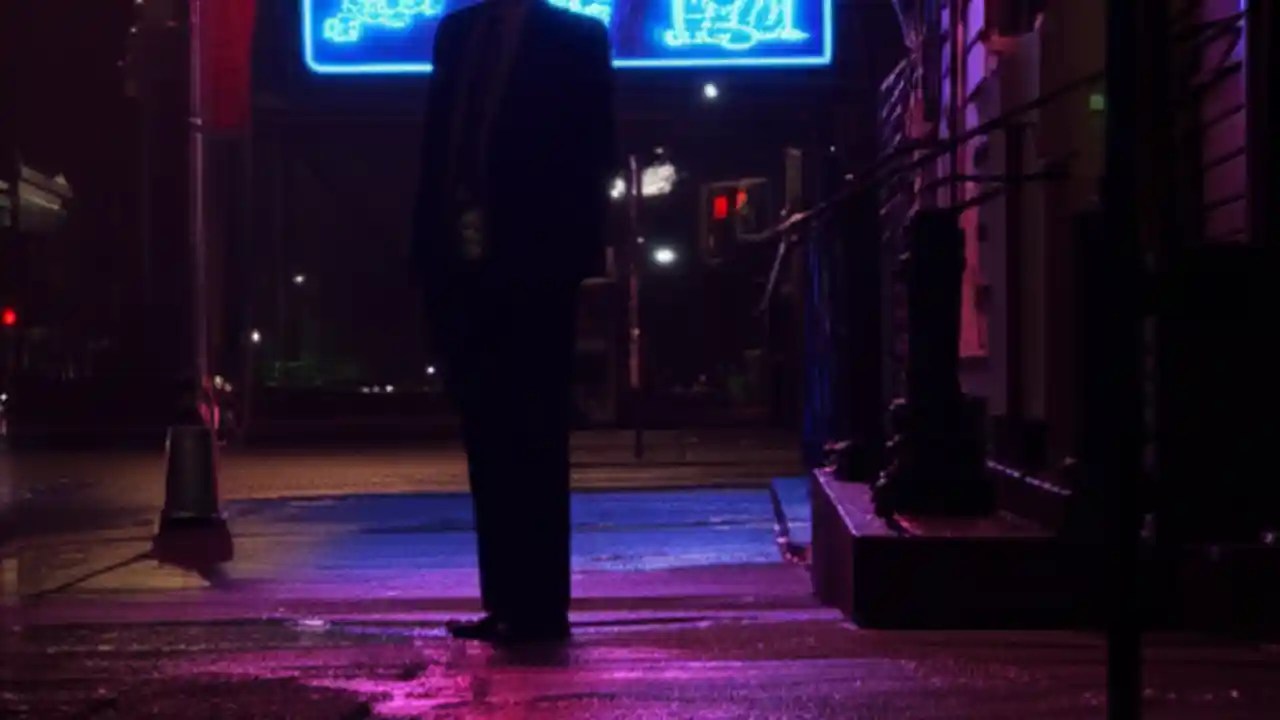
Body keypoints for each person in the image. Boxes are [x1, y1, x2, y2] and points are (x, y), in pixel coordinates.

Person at [411, 0, 615, 644]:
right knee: (488, 437)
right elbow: (439, 148)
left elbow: (594, 151)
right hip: (466, 266)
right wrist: (428, 252)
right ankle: (506, 602)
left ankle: (540, 606)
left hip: (535, 267)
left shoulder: (577, 38)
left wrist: (570, 257)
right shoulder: (460, 34)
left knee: (535, 438)